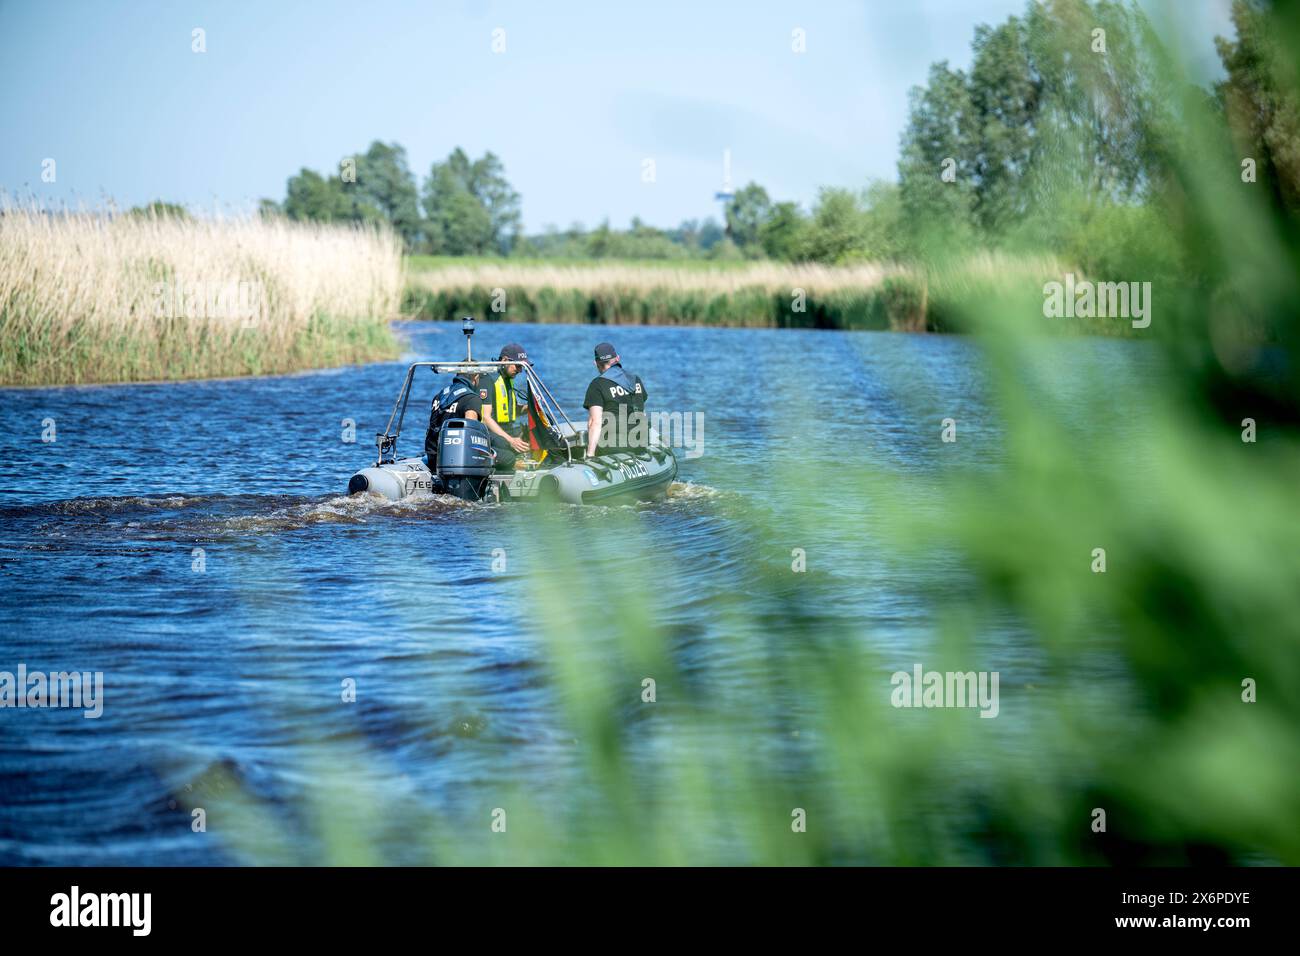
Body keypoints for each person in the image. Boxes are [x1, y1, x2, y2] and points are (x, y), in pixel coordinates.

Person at [583, 341, 648, 458]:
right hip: (639, 445)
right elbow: (642, 413)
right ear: (617, 358)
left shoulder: (597, 385)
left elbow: (594, 422)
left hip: (612, 449)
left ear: (596, 363)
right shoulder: (635, 380)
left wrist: (590, 455)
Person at [481, 343, 532, 470]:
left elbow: (511, 410)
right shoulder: (488, 379)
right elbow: (486, 418)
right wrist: (511, 440)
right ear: (504, 360)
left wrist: (531, 407)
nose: (520, 371)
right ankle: (515, 463)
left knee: (536, 434)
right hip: (491, 434)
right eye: (518, 366)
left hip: (506, 429)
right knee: (509, 447)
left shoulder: (507, 379)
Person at [424, 369, 485, 467]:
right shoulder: (471, 398)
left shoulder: (439, 395)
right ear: (476, 376)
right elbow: (471, 431)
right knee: (506, 457)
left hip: (432, 456)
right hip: (454, 461)